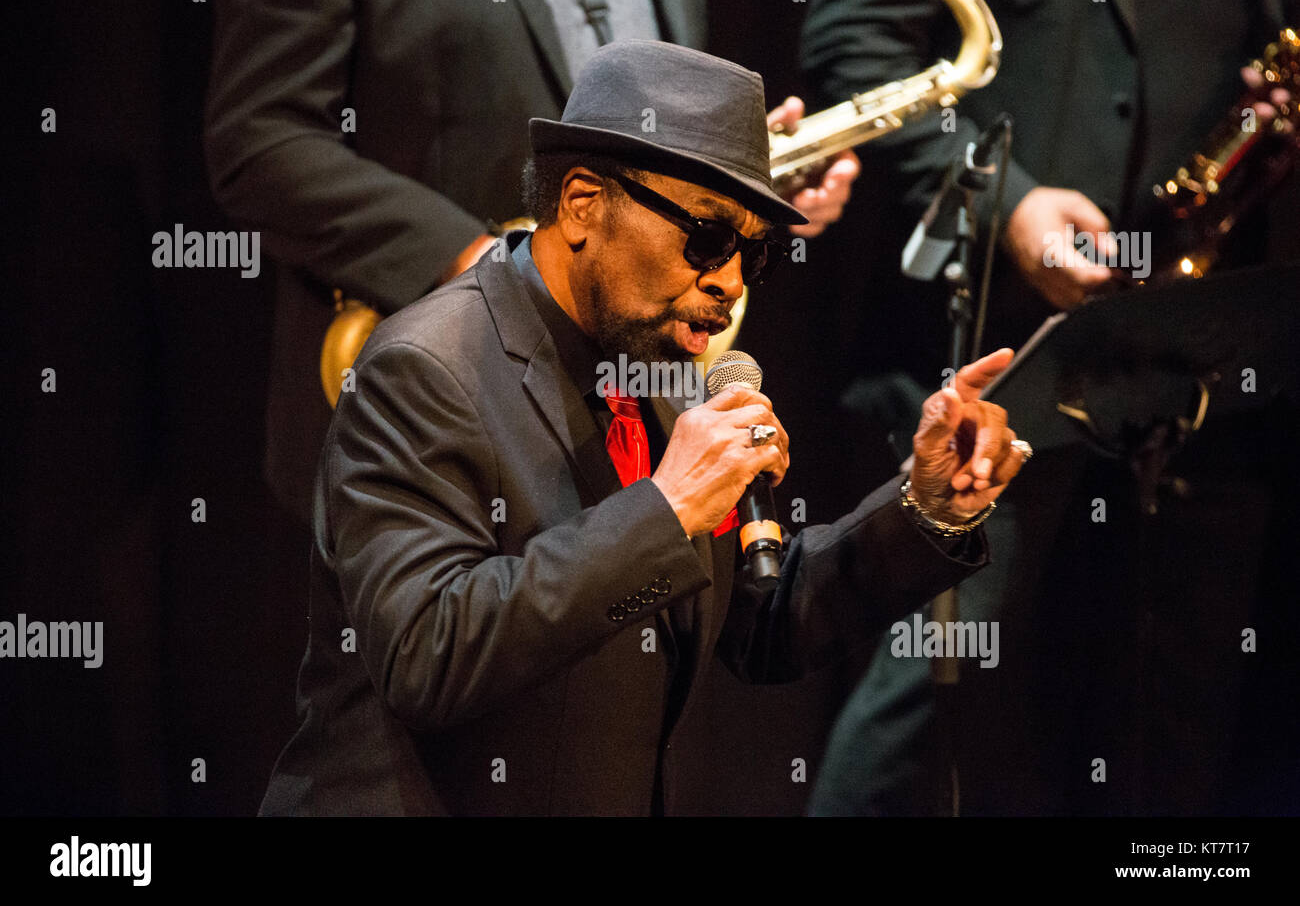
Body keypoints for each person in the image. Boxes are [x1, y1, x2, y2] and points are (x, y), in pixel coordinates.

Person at [257, 40, 1027, 815]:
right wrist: (669, 506)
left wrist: (927, 506)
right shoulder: (426, 367)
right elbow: (427, 654)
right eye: (707, 238)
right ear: (584, 202)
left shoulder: (652, 372)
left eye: (752, 256)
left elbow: (763, 626)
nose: (727, 282)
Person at [801, 0, 1300, 815]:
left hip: (1202, 351)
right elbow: (855, 44)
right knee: (934, 705)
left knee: (1168, 717)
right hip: (1003, 355)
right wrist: (1011, 207)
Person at [203, 0, 858, 524]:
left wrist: (729, 201)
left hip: (634, 414)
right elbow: (260, 142)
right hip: (433, 398)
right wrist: (481, 262)